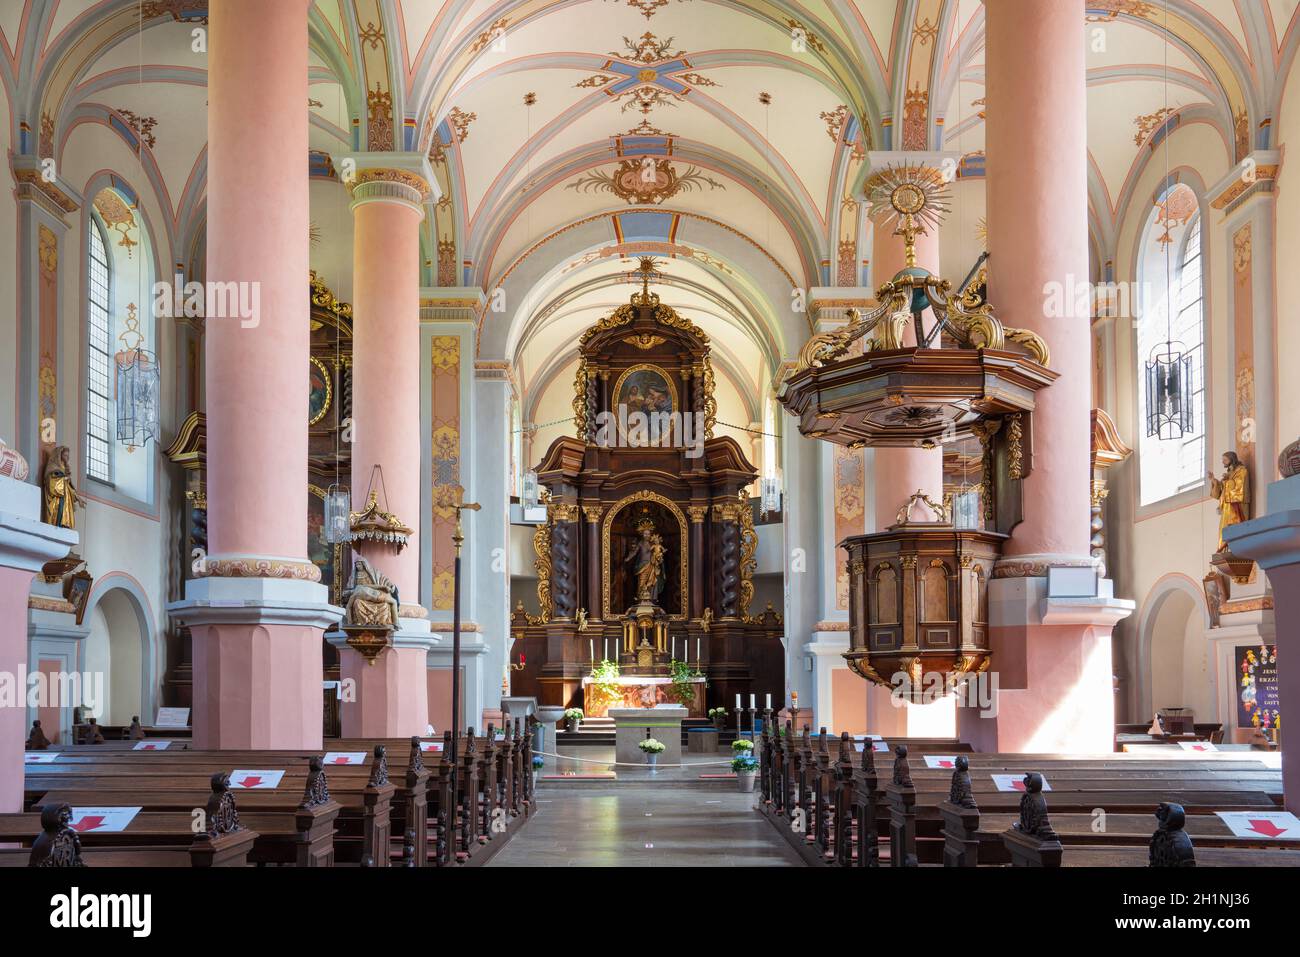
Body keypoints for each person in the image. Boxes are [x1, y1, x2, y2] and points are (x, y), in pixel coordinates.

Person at [1207, 451, 1249, 552]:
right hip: (1226, 505)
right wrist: (1214, 480)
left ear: (1231, 459)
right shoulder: (1229, 473)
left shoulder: (1241, 471)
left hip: (1235, 505)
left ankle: (1233, 548)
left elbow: (1239, 487)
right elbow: (1220, 493)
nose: (1223, 462)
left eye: (1225, 460)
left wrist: (1227, 480)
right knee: (1224, 528)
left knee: (1232, 525)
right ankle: (1225, 549)